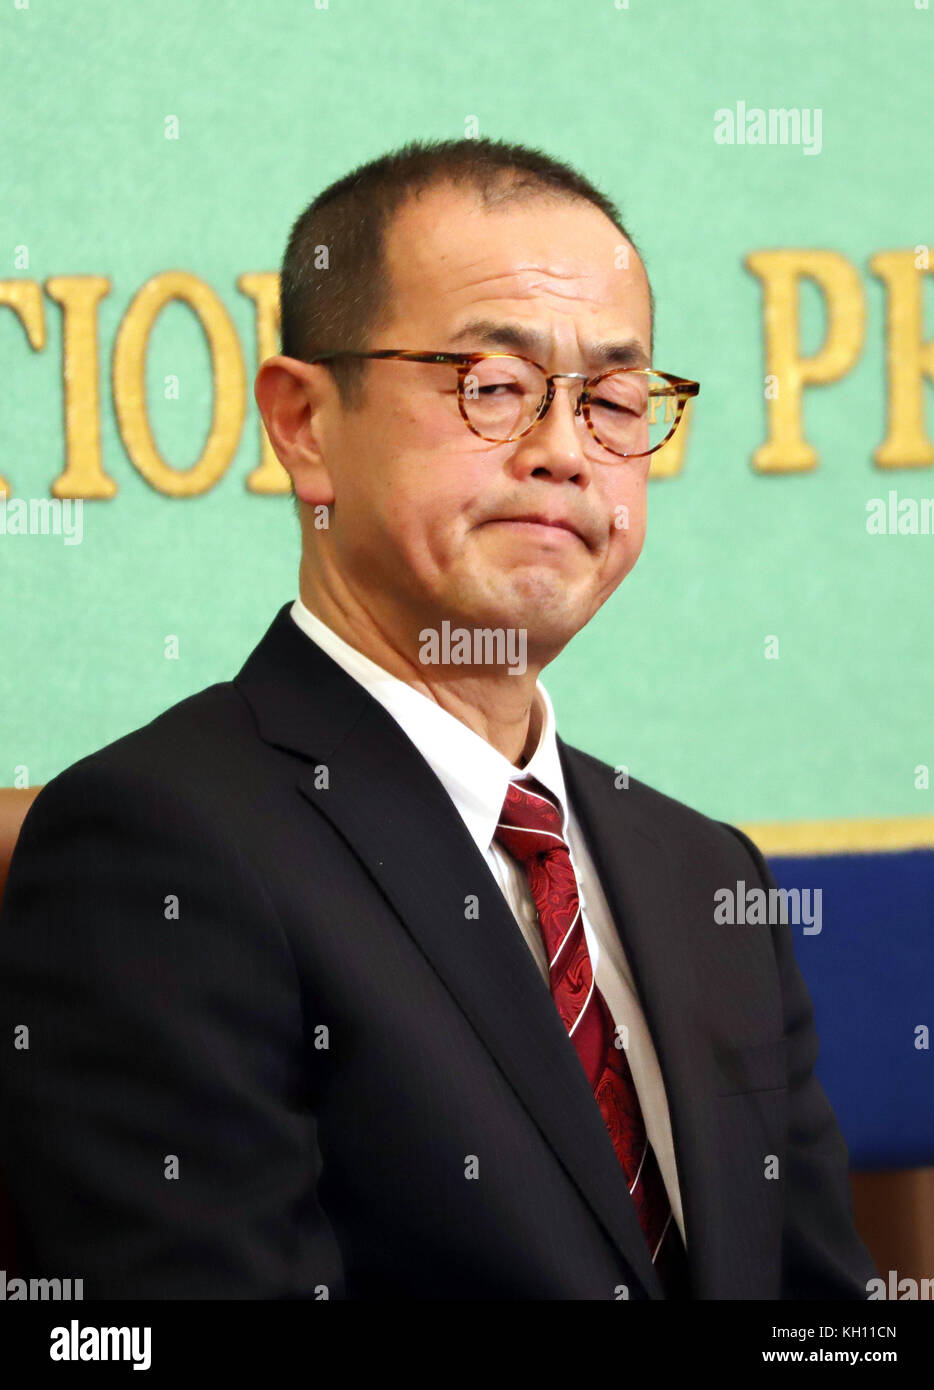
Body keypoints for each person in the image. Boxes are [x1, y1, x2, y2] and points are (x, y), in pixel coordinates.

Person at [0, 137, 876, 1299]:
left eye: (615, 399)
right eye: (493, 386)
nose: (565, 451)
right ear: (304, 425)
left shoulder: (704, 870)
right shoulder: (157, 845)